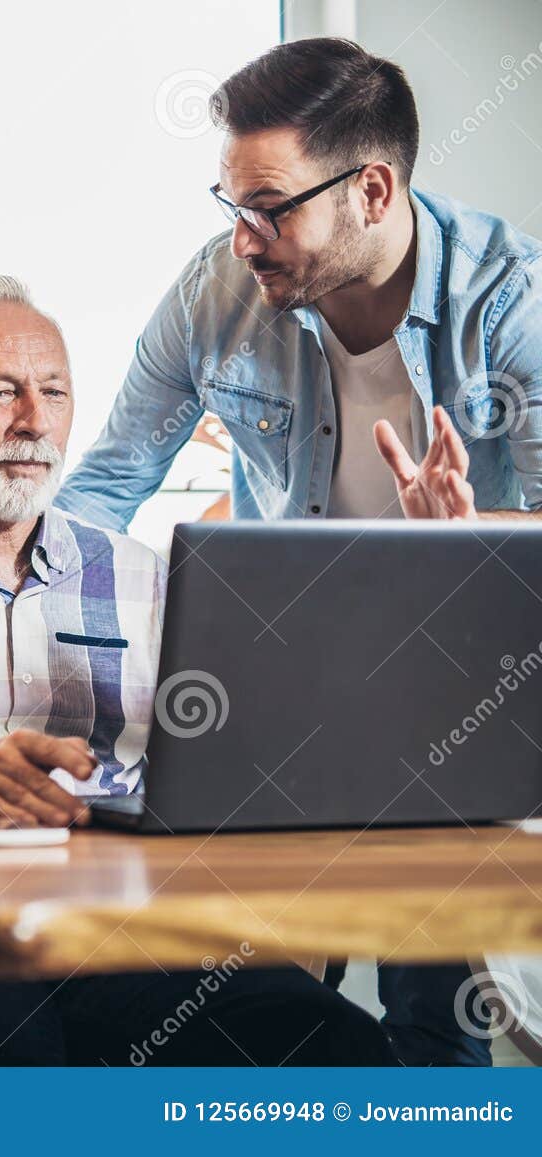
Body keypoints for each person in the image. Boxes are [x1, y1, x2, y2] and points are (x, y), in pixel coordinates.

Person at [0, 274, 395, 1065]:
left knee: (336, 1044)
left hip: (115, 927)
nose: (34, 422)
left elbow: (231, 751)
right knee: (18, 1068)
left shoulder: (142, 572)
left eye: (55, 392)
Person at [55, 37, 523, 1064]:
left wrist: (473, 547)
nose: (241, 240)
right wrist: (13, 591)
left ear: (370, 188)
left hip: (469, 700)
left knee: (430, 1009)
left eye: (267, 207)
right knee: (205, 986)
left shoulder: (513, 310)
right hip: (293, 692)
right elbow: (107, 483)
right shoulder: (217, 296)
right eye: (227, 205)